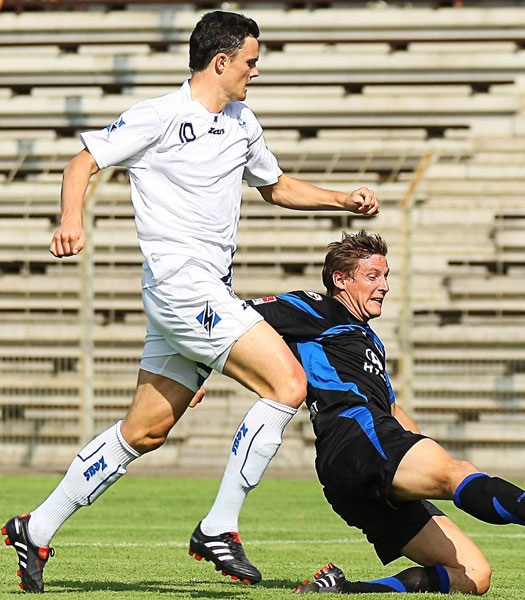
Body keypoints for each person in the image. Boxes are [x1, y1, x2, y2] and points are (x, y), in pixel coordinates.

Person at [2, 11, 379, 594]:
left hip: (206, 291)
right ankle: (219, 527)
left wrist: (341, 200)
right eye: (251, 60)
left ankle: (36, 525)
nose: (257, 70)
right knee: (287, 385)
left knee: (145, 431)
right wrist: (70, 219)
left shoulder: (242, 122)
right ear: (222, 61)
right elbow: (84, 162)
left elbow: (274, 186)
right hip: (181, 286)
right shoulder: (159, 115)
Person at [193, 230, 525, 595]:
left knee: (474, 575)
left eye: (386, 276)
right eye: (372, 276)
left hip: (365, 461)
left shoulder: (370, 341)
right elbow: (229, 319)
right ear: (340, 280)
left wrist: (430, 458)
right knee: (457, 473)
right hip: (354, 440)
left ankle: (345, 589)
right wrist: (195, 374)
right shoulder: (315, 309)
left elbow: (393, 410)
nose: (383, 285)